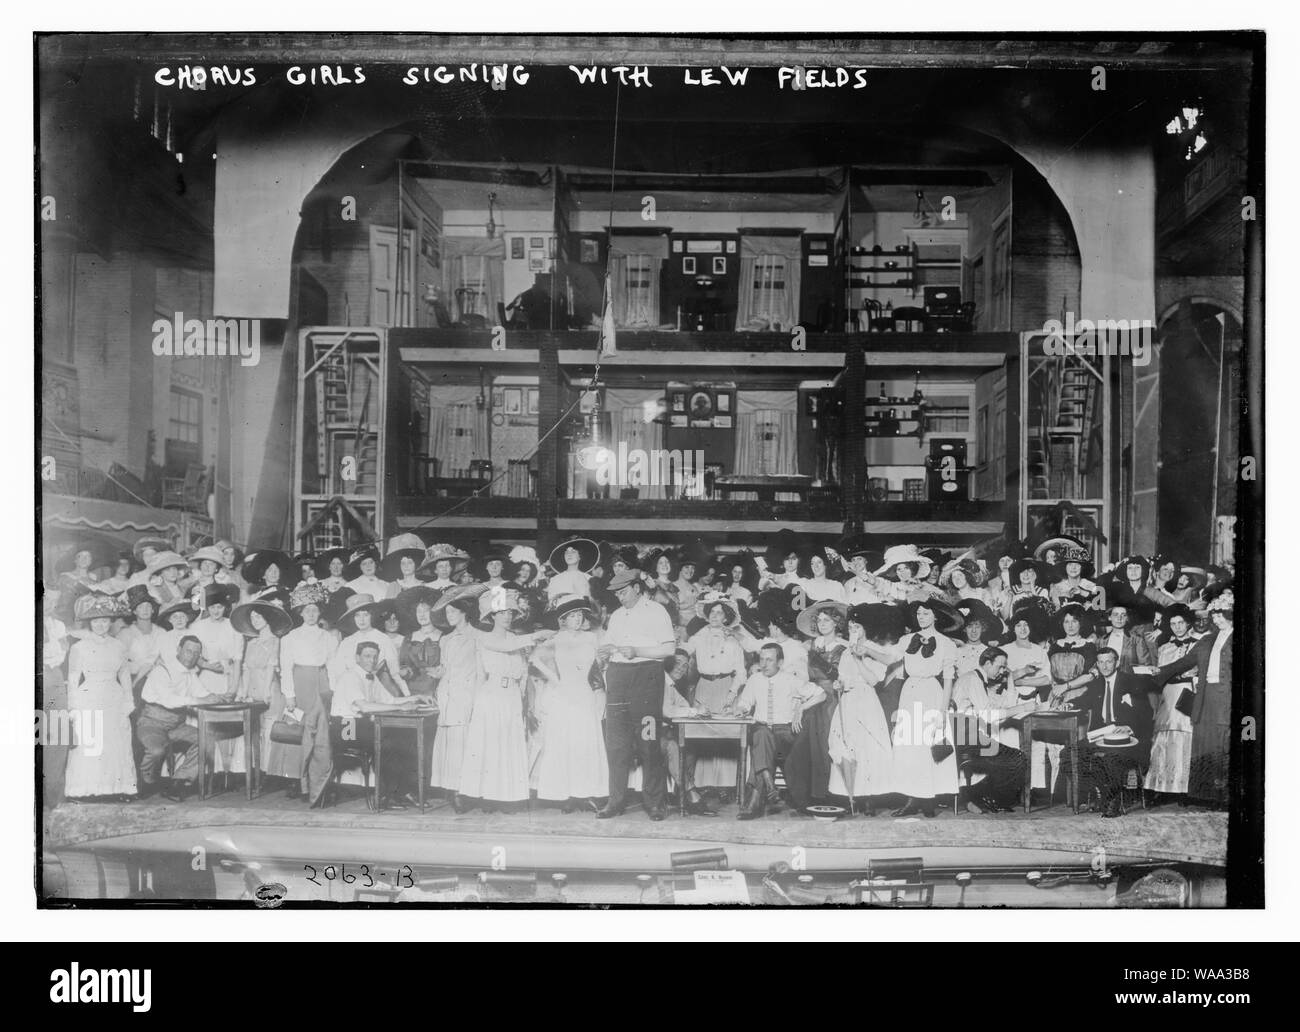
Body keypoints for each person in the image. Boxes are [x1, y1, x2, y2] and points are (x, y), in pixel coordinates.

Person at [458, 587, 553, 811]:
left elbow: (523, 672)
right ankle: (487, 797)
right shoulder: (486, 638)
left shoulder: (516, 639)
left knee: (509, 745)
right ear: (492, 616)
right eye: (502, 612)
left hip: (511, 696)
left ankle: (506, 796)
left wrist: (522, 700)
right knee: (489, 746)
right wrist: (535, 636)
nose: (508, 616)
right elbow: (485, 668)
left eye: (511, 612)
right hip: (490, 696)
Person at [597, 569, 676, 820]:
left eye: (623, 591)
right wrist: (604, 652)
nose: (620, 597)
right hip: (618, 677)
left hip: (647, 677)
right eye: (617, 593)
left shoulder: (656, 611)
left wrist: (637, 650)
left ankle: (654, 803)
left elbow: (669, 650)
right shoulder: (617, 616)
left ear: (637, 588)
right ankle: (615, 801)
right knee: (617, 744)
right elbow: (608, 645)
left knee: (648, 741)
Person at [1147, 592, 1234, 806]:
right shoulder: (1207, 640)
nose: (1217, 619)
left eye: (1221, 615)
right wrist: (1158, 670)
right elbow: (1184, 662)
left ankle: (1225, 797)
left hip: (1227, 696)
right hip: (1205, 696)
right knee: (1203, 744)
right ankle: (1206, 795)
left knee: (1223, 745)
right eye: (1214, 615)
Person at [528, 595, 609, 811]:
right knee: (564, 743)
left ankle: (585, 793)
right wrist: (555, 679)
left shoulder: (592, 638)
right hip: (563, 695)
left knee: (584, 743)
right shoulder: (557, 638)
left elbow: (600, 664)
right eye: (572, 615)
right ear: (563, 618)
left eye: (579, 615)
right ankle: (565, 795)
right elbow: (534, 659)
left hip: (584, 694)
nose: (576, 619)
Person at [331, 642, 432, 808]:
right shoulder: (350, 676)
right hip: (345, 728)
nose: (372, 660)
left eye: (374, 656)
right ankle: (385, 798)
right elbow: (365, 706)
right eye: (367, 656)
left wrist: (417, 697)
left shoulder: (372, 677)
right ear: (357, 658)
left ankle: (399, 792)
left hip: (358, 725)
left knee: (402, 740)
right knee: (389, 744)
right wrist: (400, 707)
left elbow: (390, 700)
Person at [729, 643, 824, 820]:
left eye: (769, 660)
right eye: (761, 659)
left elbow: (821, 694)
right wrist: (740, 708)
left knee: (761, 739)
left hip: (784, 733)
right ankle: (769, 786)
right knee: (761, 734)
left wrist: (802, 707)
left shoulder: (791, 679)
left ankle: (759, 796)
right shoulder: (754, 679)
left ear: (780, 662)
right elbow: (745, 702)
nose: (764, 664)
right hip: (762, 728)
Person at [826, 605, 900, 813]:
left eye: (857, 627)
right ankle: (851, 796)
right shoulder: (845, 651)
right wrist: (838, 684)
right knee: (846, 744)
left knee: (867, 747)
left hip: (866, 700)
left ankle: (869, 798)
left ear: (866, 628)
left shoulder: (876, 650)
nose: (853, 631)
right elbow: (842, 676)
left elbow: (872, 680)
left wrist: (859, 659)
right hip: (848, 700)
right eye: (850, 627)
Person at [64, 593, 137, 801]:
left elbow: (124, 674)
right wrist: (73, 706)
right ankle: (85, 790)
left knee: (116, 741)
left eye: (105, 621)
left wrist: (128, 700)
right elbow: (73, 677)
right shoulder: (79, 647)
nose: (101, 625)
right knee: (90, 741)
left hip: (113, 696)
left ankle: (118, 789)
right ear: (90, 623)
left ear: (111, 622)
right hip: (89, 696)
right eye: (96, 621)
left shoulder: (119, 646)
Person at [137, 636, 228, 801]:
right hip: (152, 723)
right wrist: (201, 700)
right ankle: (146, 782)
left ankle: (178, 783)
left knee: (206, 740)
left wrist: (220, 697)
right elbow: (170, 700)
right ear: (178, 650)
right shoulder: (161, 670)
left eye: (196, 653)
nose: (191, 656)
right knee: (157, 750)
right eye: (188, 651)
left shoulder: (189, 674)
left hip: (176, 726)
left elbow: (203, 694)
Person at [890, 600, 959, 817]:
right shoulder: (906, 640)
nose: (921, 616)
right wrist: (865, 651)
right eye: (919, 613)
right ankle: (912, 799)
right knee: (910, 748)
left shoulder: (947, 643)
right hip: (910, 693)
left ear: (936, 616)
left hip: (931, 692)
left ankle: (930, 799)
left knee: (929, 746)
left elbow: (948, 680)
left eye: (926, 613)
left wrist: (942, 711)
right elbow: (889, 658)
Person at [1071, 648, 1155, 817]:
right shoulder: (1096, 684)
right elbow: (1083, 701)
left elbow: (1147, 713)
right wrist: (1069, 705)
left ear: (1116, 663)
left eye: (1109, 661)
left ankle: (1112, 801)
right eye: (1101, 662)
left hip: (1129, 737)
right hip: (1101, 735)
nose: (1105, 666)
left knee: (1111, 758)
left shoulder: (1131, 682)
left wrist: (1129, 727)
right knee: (1070, 754)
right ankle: (1097, 792)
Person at [951, 647, 1033, 813]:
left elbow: (1002, 707)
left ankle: (980, 796)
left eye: (1004, 668)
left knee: (1009, 759)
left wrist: (1010, 678)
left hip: (969, 736)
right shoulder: (973, 680)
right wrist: (1023, 706)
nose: (1002, 671)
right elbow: (989, 716)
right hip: (966, 739)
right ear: (987, 663)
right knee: (1018, 758)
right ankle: (978, 795)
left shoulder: (979, 679)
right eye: (1000, 667)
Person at [683, 592, 747, 792]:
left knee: (725, 735)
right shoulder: (699, 636)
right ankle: (695, 784)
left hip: (725, 686)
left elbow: (741, 671)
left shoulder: (733, 639)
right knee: (697, 736)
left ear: (726, 617)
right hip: (704, 686)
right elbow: (684, 650)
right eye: (712, 612)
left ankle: (726, 786)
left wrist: (731, 694)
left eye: (719, 613)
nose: (715, 616)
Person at [428, 587, 485, 810]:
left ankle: (464, 792)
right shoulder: (446, 639)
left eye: (453, 612)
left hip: (466, 695)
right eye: (448, 613)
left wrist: (476, 700)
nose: (449, 616)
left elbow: (481, 672)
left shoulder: (477, 637)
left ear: (464, 613)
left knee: (463, 745)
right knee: (449, 745)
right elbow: (445, 667)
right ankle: (451, 789)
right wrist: (436, 672)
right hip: (447, 695)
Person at [279, 583, 337, 800]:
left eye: (314, 610)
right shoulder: (290, 638)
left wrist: (334, 692)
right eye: (306, 610)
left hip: (322, 686)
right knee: (300, 735)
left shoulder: (329, 637)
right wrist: (289, 695)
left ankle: (318, 784)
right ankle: (300, 783)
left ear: (319, 611)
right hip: (300, 685)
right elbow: (286, 668)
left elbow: (333, 666)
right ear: (300, 613)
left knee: (321, 736)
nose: (311, 614)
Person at [231, 595, 293, 789]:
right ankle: (253, 772)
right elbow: (247, 669)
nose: (255, 621)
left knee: (268, 730)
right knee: (252, 731)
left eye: (259, 617)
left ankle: (270, 775)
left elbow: (270, 669)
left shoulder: (276, 641)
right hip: (253, 689)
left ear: (267, 618)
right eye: (253, 618)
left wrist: (265, 692)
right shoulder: (251, 643)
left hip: (271, 689)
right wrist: (243, 691)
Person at [1143, 603, 1201, 799]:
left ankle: (1185, 789)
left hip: (1188, 691)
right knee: (1163, 736)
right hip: (1168, 693)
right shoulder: (1164, 647)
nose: (1177, 627)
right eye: (1173, 623)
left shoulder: (1198, 644)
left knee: (1186, 735)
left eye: (1181, 623)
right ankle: (1162, 787)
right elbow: (1160, 672)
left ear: (1188, 623)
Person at [658, 649, 717, 816]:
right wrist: (694, 712)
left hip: (664, 732)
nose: (681, 668)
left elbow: (683, 704)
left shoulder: (671, 684)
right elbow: (667, 711)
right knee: (673, 747)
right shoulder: (660, 681)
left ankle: (681, 793)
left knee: (691, 746)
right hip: (649, 734)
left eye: (685, 665)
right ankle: (692, 794)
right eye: (677, 663)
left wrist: (697, 709)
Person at [1098, 602, 1158, 674]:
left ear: (1127, 618)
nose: (1119, 618)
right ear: (1109, 617)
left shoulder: (1136, 640)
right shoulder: (1101, 641)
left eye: (1123, 615)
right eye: (1115, 615)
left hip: (1128, 681)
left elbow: (1145, 666)